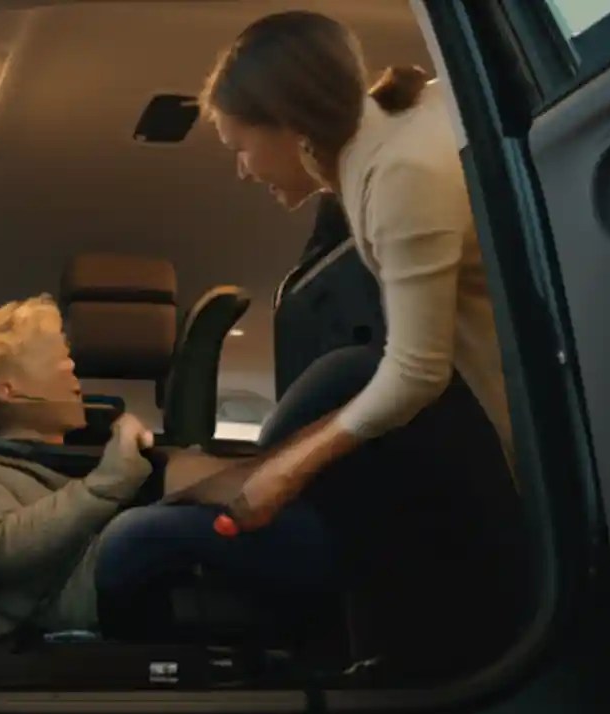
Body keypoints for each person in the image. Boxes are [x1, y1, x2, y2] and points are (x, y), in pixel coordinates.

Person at [196, 10, 517, 533]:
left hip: (512, 439)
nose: (243, 170)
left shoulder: (400, 176)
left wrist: (289, 469)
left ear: (289, 121)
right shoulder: (394, 137)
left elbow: (416, 373)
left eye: (240, 148)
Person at [0, 294, 333, 638]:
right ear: (9, 390)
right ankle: (335, 567)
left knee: (323, 392)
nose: (73, 371)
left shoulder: (60, 462)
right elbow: (5, 550)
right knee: (139, 530)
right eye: (59, 362)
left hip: (98, 572)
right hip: (61, 601)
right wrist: (108, 481)